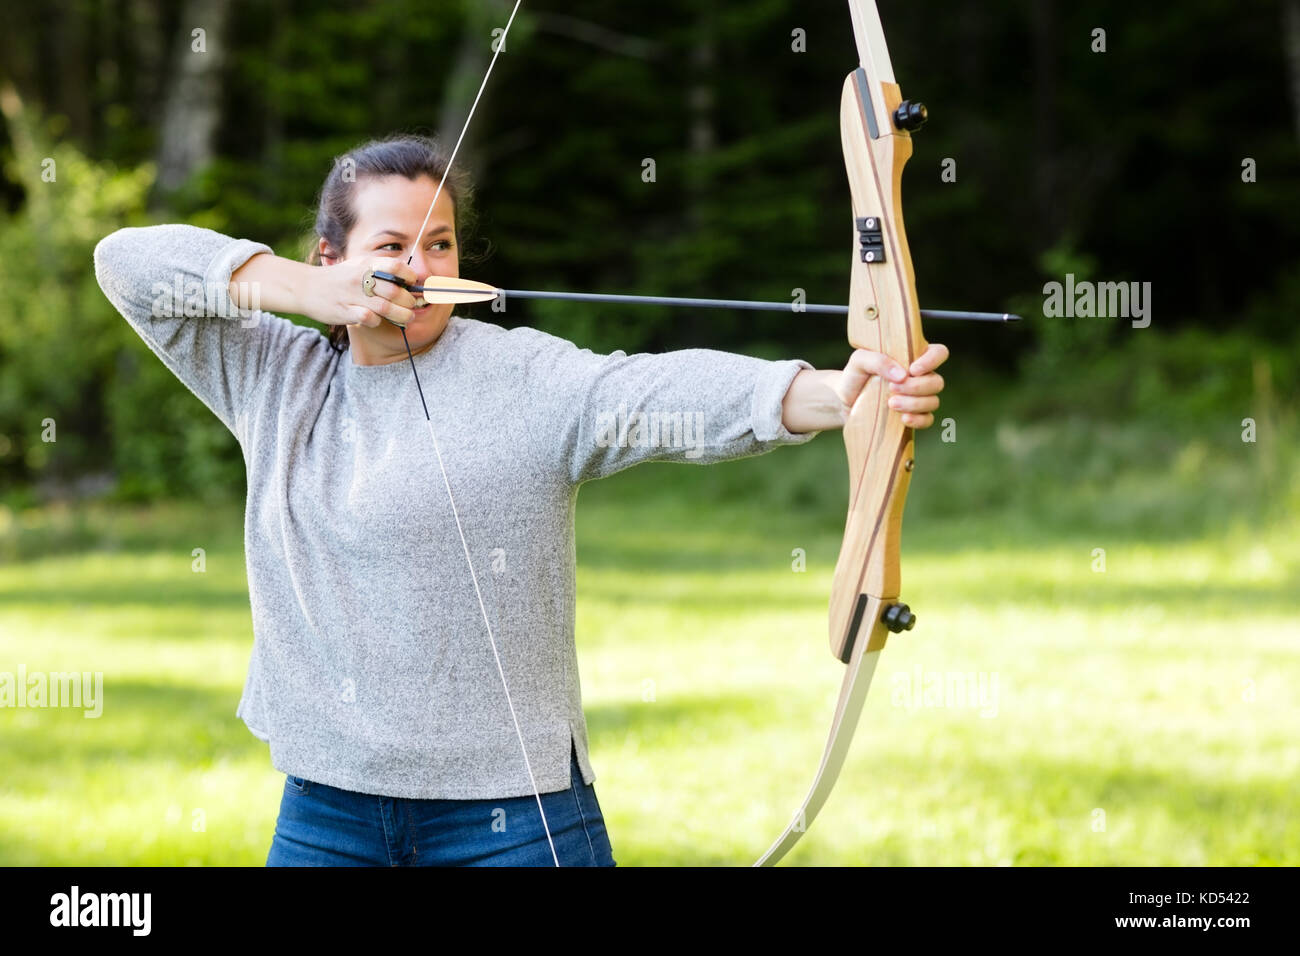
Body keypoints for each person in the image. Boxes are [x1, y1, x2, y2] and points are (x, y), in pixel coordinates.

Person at [92, 134, 947, 867]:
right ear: (331, 257)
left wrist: (839, 396)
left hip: (508, 813)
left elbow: (648, 395)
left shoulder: (519, 376)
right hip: (329, 804)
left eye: (441, 246)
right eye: (390, 246)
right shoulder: (272, 376)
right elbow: (123, 261)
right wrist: (301, 293)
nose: (419, 269)